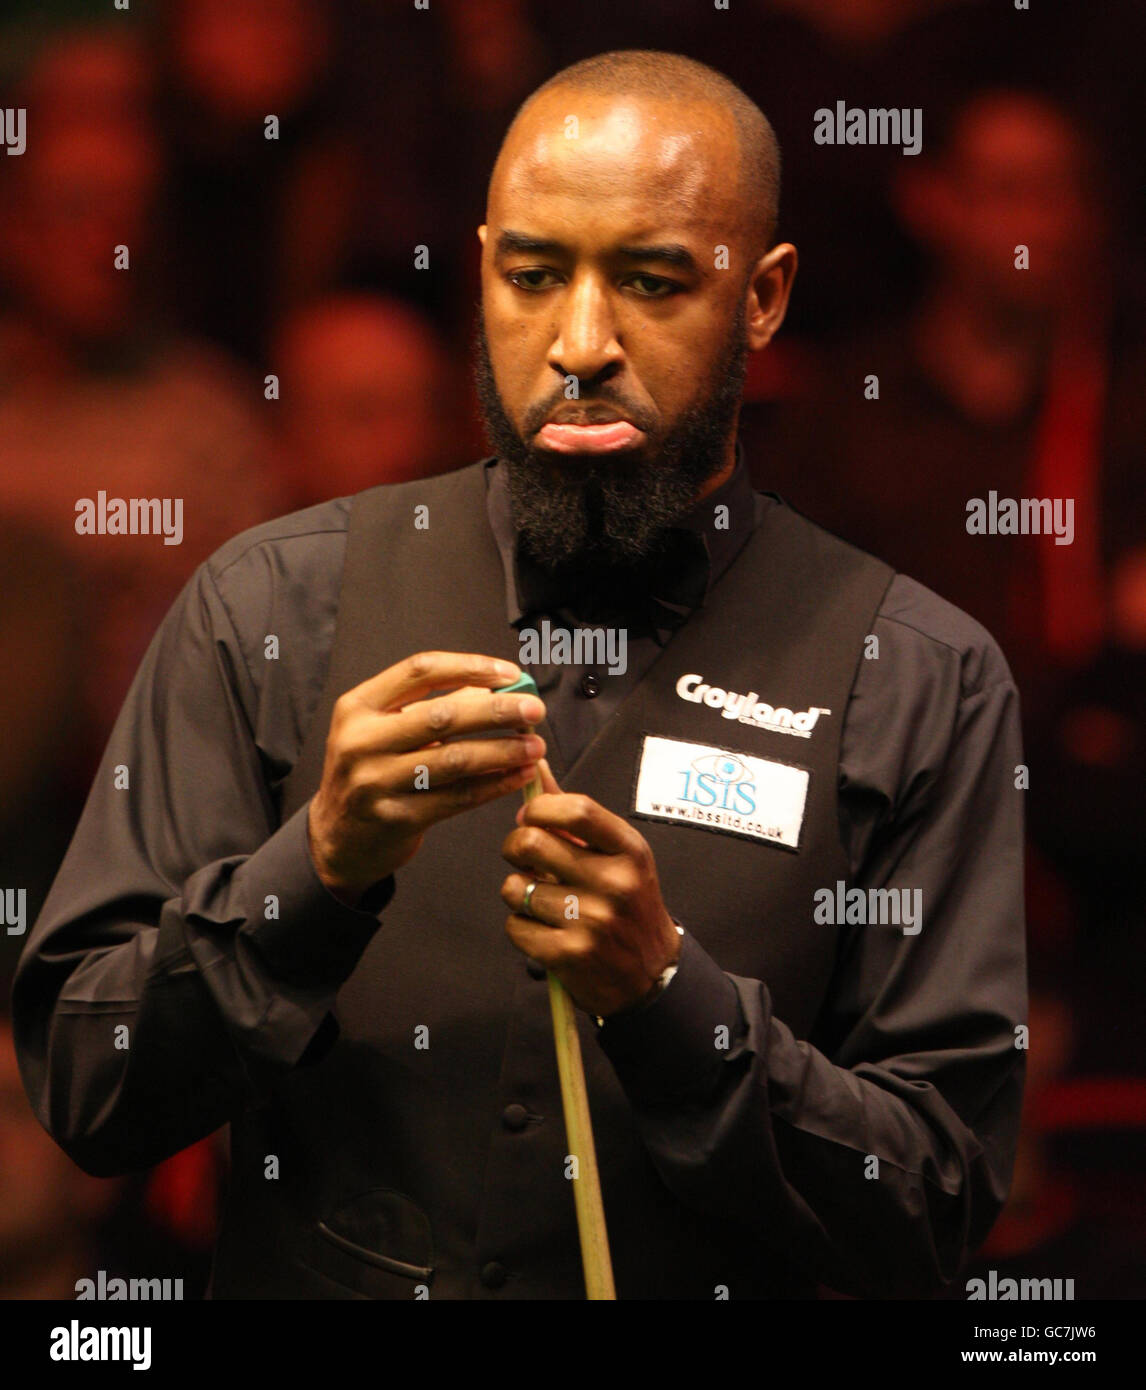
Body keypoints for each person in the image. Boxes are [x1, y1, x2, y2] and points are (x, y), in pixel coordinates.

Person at [13, 50, 1026, 1300]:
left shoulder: (922, 679)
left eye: (653, 282)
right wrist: (311, 870)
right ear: (483, 265)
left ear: (763, 298)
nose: (580, 343)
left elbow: (934, 1207)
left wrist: (671, 1001)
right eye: (533, 276)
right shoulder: (268, 604)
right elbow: (87, 1081)